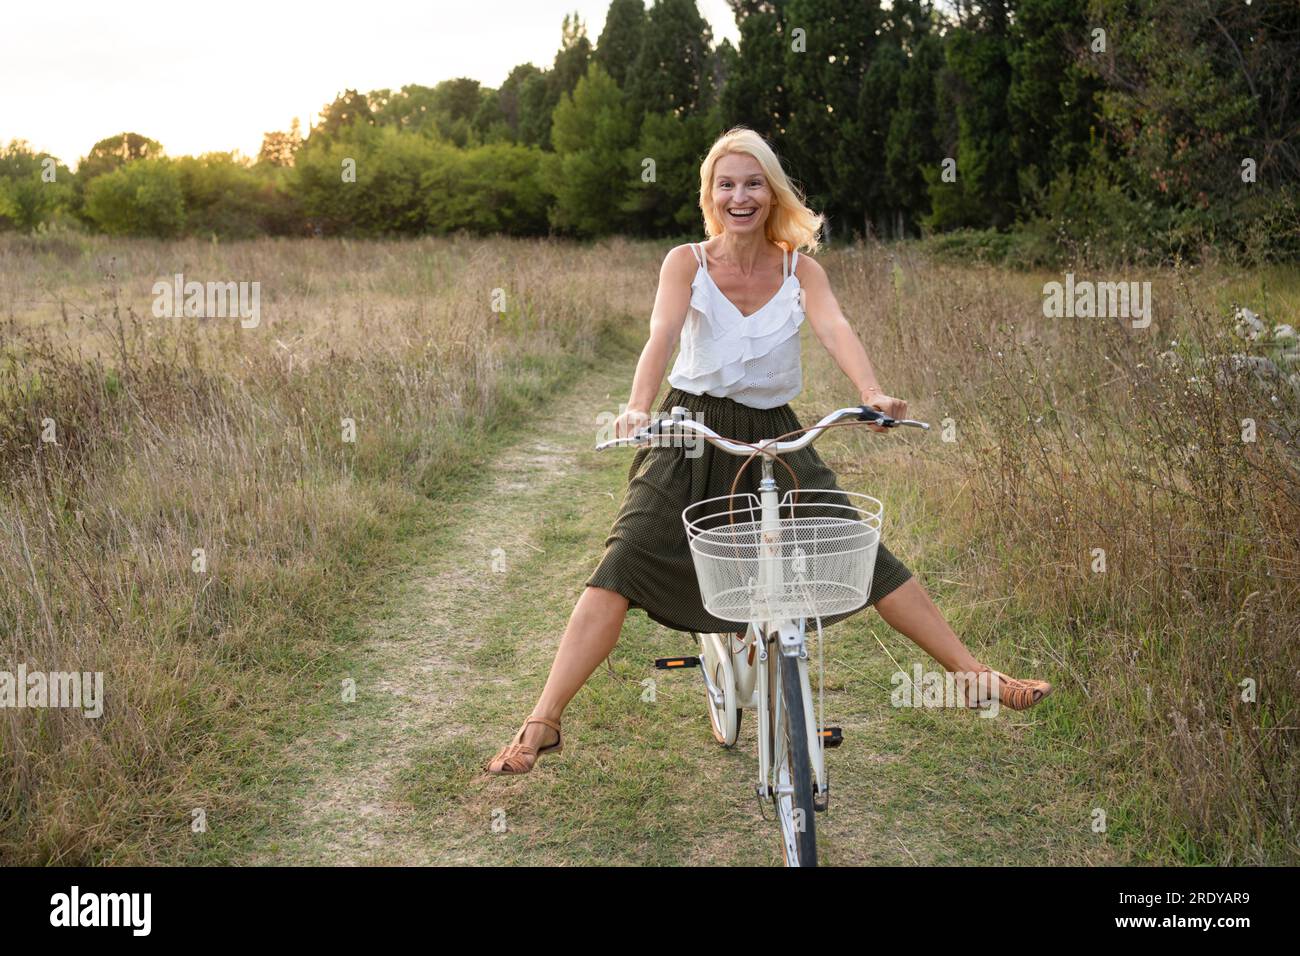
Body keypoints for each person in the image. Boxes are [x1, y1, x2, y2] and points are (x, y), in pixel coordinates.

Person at [486, 127, 1051, 775]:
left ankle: (973, 675)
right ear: (710, 195)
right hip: (690, 430)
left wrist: (872, 394)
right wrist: (639, 407)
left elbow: (836, 328)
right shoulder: (686, 263)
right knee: (626, 559)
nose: (740, 195)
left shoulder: (800, 269)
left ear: (772, 192)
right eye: (726, 184)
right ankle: (544, 720)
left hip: (775, 433)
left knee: (858, 548)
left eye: (753, 183)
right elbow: (661, 335)